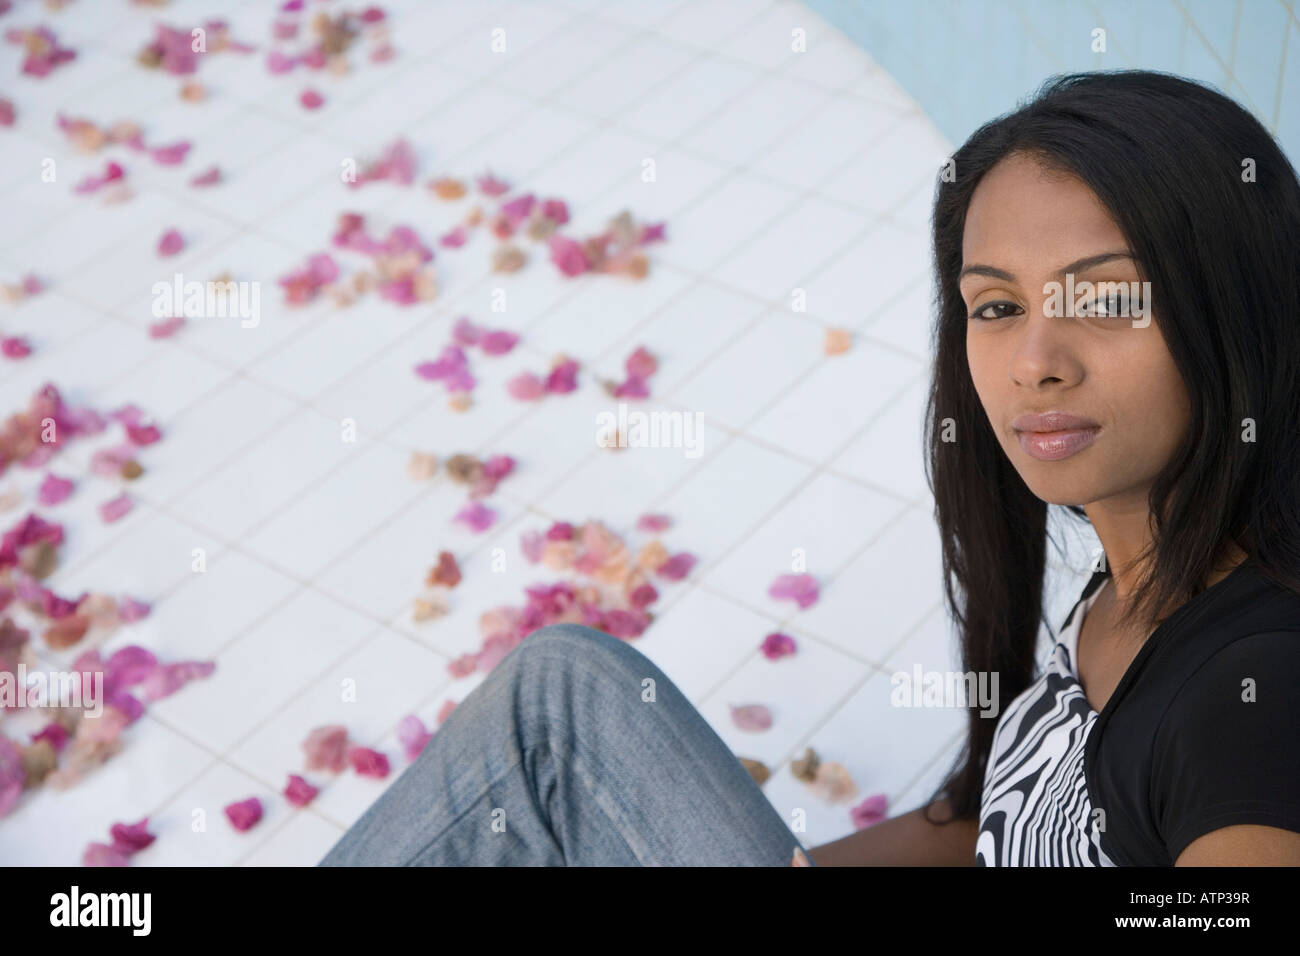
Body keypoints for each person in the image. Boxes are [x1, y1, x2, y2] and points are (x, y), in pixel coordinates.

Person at [319, 70, 1300, 866]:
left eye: (1104, 299)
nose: (1035, 359)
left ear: (1234, 304)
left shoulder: (1250, 701)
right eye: (996, 306)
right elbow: (988, 825)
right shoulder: (1128, 564)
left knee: (560, 707)